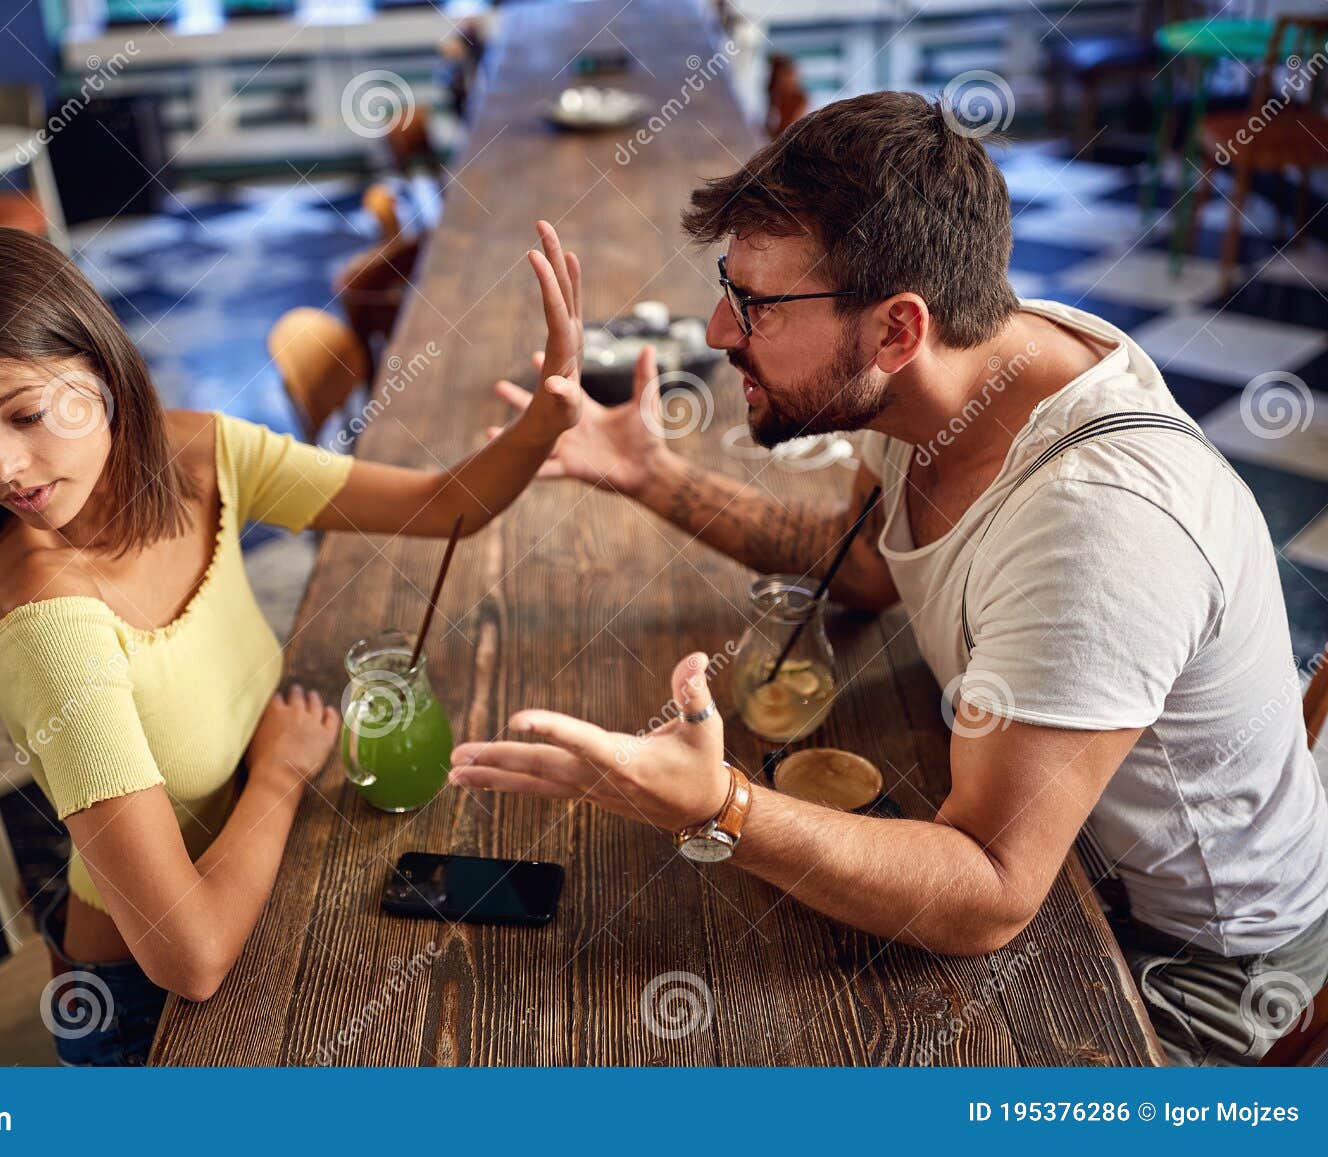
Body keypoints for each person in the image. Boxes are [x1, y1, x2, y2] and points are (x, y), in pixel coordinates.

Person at [454, 91, 1328, 1066]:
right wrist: (650, 474)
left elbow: (989, 889)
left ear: (896, 331)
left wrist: (720, 807)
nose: (718, 329)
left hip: (1190, 968)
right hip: (1045, 847)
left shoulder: (1097, 523)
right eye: (727, 285)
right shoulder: (959, 364)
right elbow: (870, 565)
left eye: (756, 305)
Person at [0, 220, 586, 1064]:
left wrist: (543, 420)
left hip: (265, 883)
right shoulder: (49, 623)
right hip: (144, 1015)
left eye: (25, 414)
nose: (0, 467)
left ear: (101, 370)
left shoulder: (195, 453)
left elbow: (441, 508)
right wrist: (282, 772)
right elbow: (190, 958)